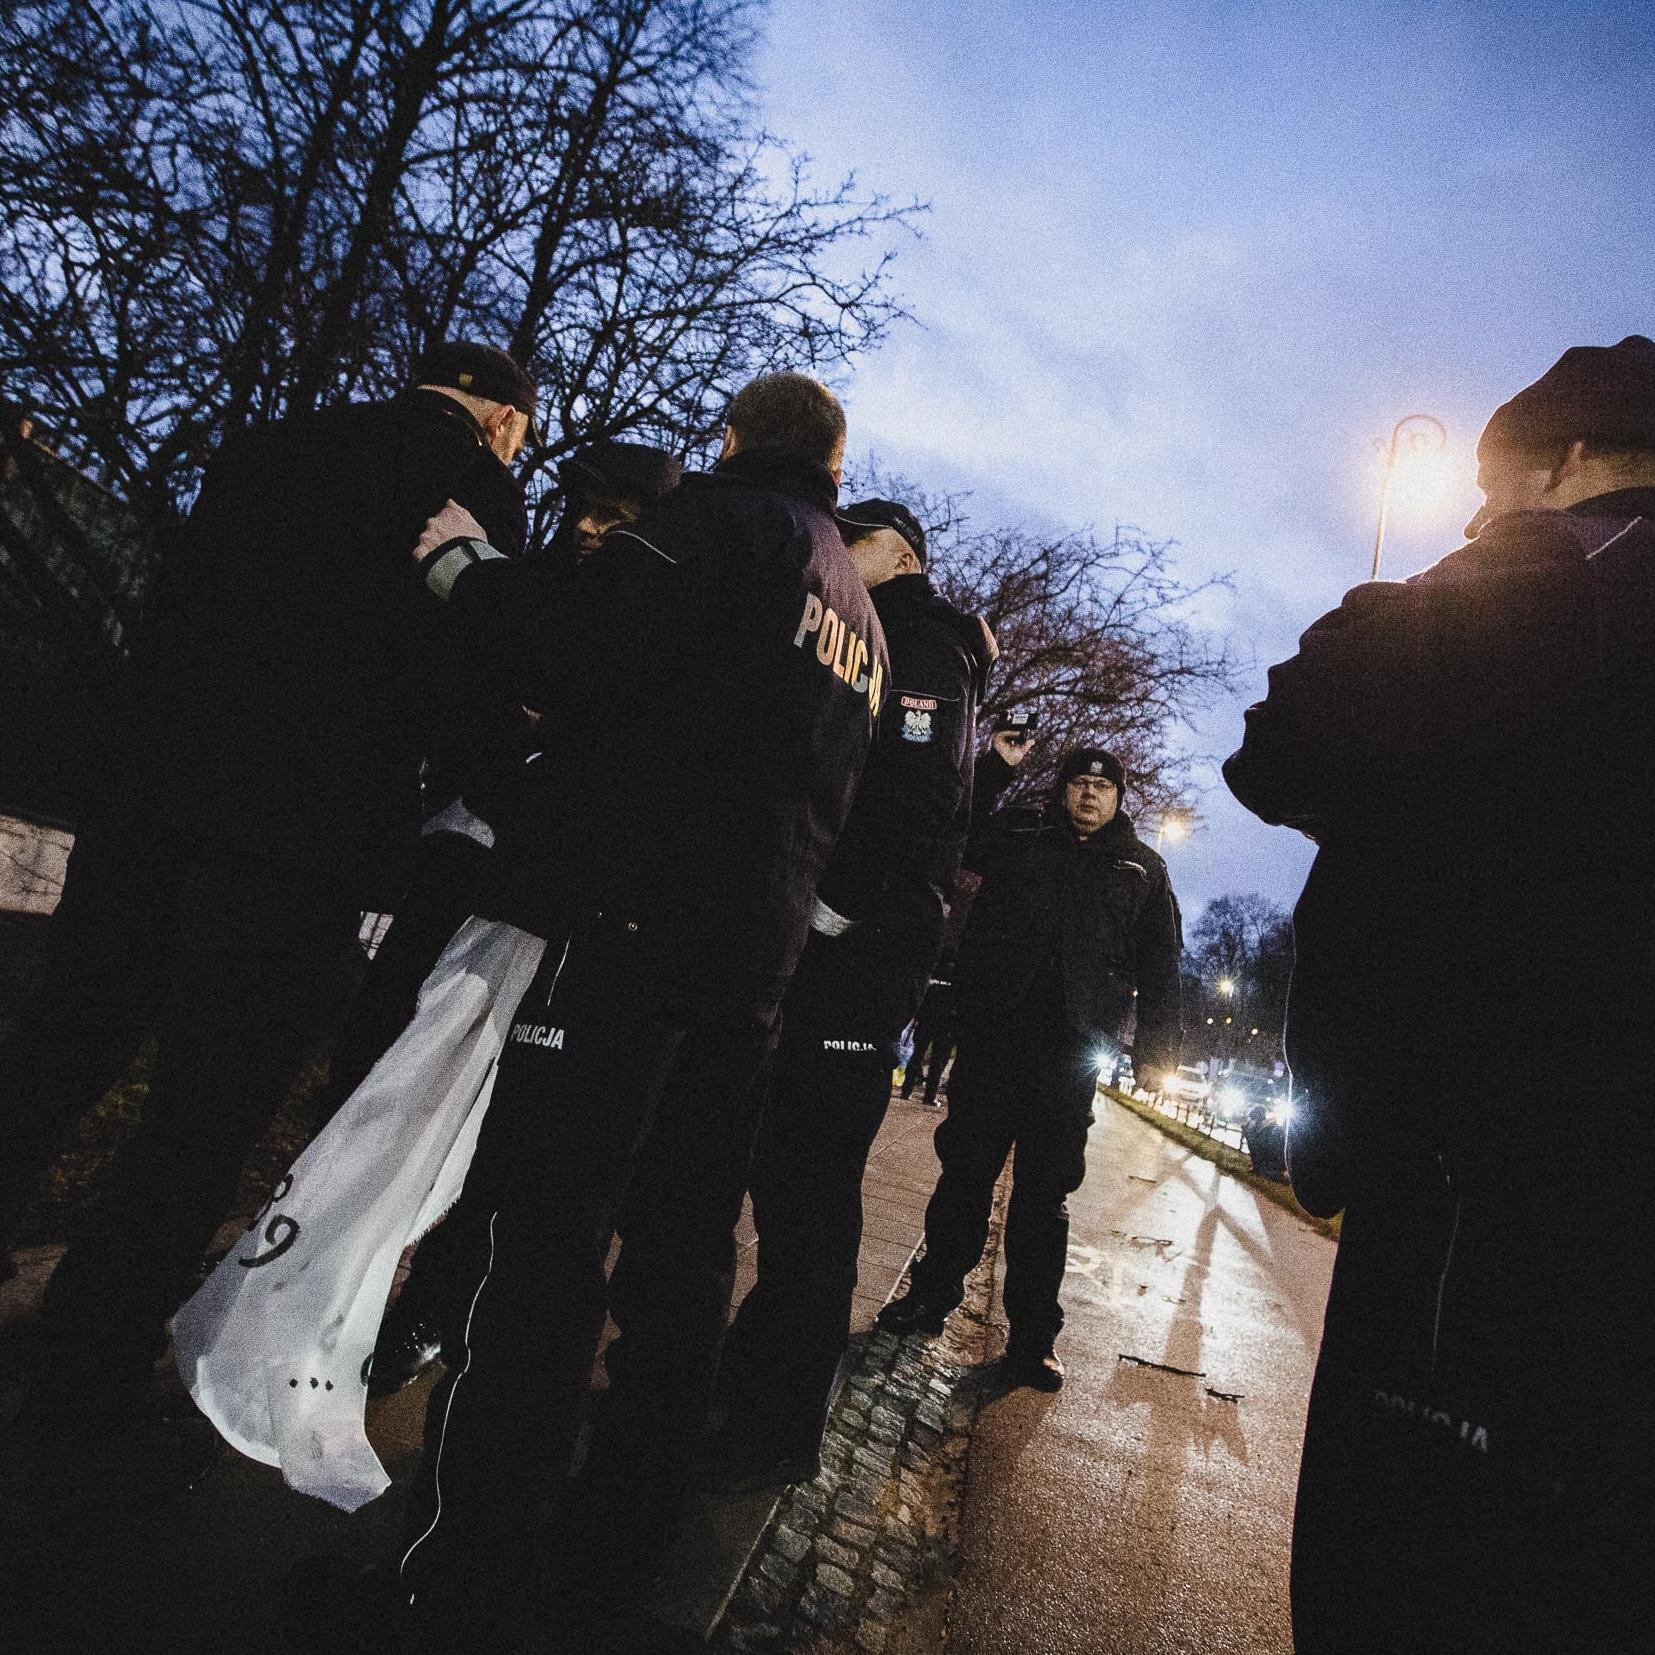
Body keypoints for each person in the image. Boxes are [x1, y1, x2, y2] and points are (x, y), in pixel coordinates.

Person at [390, 372, 886, 1651]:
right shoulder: (858, 613)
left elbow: (581, 643)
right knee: (681, 1249)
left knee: (540, 1241)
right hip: (750, 963)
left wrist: (464, 571)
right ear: (837, 462)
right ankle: (620, 1543)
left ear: (730, 441)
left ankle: (465, 1568)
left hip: (625, 927)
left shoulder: (715, 521)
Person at [0, 341, 535, 1490]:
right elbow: (465, 673)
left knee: (58, 1047)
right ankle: (87, 1366)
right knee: (198, 1117)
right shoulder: (468, 495)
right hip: (298, 836)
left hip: (150, 799)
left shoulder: (272, 445)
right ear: (499, 420)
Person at [1223, 335, 1655, 1654]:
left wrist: (1480, 563)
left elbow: (1284, 733)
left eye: (1492, 487)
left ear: (1562, 461)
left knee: (1408, 1559)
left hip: (1487, 1170)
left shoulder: (1558, 571)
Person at [315, 440, 682, 1396]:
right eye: (584, 510)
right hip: (459, 863)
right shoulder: (530, 586)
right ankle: (320, 1265)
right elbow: (471, 704)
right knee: (375, 1063)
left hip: (539, 901)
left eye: (617, 517)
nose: (590, 529)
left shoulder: (642, 616)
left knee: (488, 1111)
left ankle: (426, 1308)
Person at [695, 496, 994, 1488]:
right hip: (843, 945)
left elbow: (914, 798)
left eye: (851, 542)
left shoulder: (916, 643)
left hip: (858, 950)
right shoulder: (886, 633)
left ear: (897, 554)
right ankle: (752, 1380)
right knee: (786, 1172)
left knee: (809, 1185)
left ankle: (773, 1427)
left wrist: (832, 904)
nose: (833, 555)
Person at [879, 743, 1183, 1390]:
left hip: (1069, 1054)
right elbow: (954, 833)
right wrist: (994, 768)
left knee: (1044, 1197)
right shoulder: (1018, 833)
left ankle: (1031, 1340)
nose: (1089, 795)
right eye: (1077, 783)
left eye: (1102, 788)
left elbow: (1161, 970)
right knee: (965, 1171)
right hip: (995, 1033)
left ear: (1119, 798)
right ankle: (930, 1297)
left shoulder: (1141, 868)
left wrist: (1156, 1053)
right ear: (1062, 789)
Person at [900, 946, 959, 1108]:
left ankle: (907, 1089)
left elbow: (922, 994)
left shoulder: (933, 970)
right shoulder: (958, 976)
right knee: (937, 1060)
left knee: (917, 1054)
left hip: (926, 1018)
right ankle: (930, 1096)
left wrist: (917, 1016)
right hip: (946, 1022)